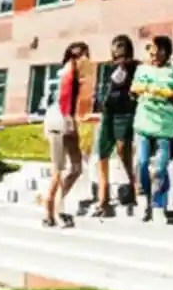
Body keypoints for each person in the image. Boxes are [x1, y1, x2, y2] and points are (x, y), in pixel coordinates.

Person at [131, 35, 173, 223]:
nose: (153, 55)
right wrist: (159, 90)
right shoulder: (142, 69)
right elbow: (136, 88)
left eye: (158, 51)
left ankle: (159, 204)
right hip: (144, 122)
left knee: (160, 167)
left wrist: (152, 89)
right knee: (142, 163)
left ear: (166, 52)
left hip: (164, 125)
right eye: (151, 51)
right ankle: (143, 199)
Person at [42, 41, 90, 228]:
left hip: (63, 118)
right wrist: (69, 120)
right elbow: (65, 97)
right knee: (59, 169)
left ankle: (57, 204)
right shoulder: (70, 70)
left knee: (76, 168)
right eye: (85, 55)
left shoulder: (69, 70)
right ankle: (50, 208)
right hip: (60, 119)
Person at [92, 35, 139, 217]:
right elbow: (102, 88)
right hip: (108, 113)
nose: (116, 52)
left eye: (120, 48)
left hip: (125, 112)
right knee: (102, 153)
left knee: (122, 149)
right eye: (114, 49)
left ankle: (133, 187)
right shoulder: (108, 67)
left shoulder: (135, 67)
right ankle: (103, 200)